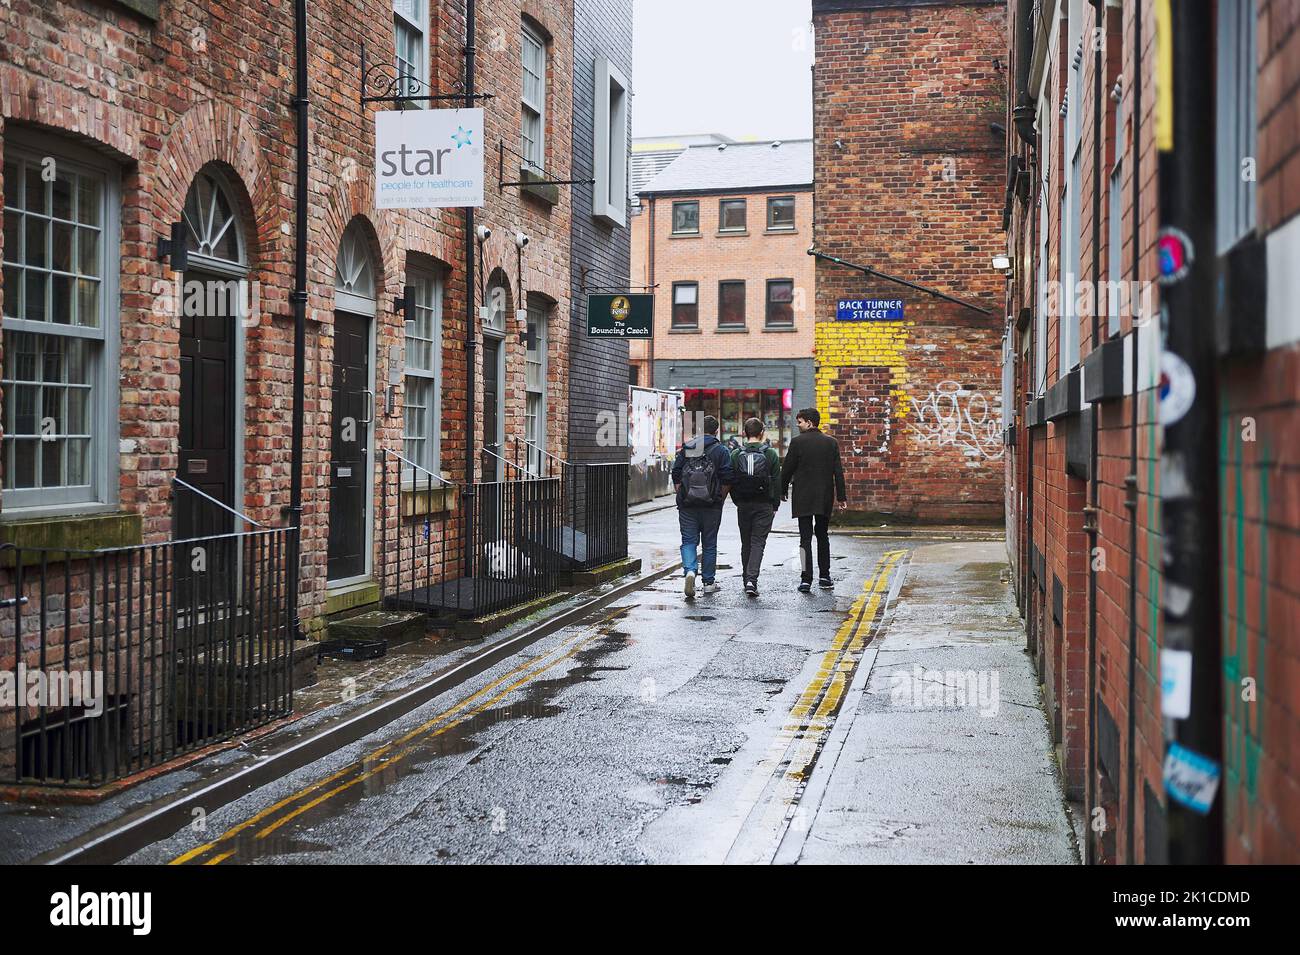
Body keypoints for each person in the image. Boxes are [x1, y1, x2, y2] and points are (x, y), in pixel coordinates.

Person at [780, 407, 846, 593]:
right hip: (825, 497)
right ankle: (825, 576)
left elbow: (787, 470)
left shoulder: (797, 443)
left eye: (800, 422)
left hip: (803, 498)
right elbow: (838, 473)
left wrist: (782, 490)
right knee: (823, 536)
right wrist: (841, 497)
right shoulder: (831, 443)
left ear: (809, 422)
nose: (798, 425)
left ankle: (806, 579)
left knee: (805, 539)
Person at [671, 414, 734, 599]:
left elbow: (676, 474)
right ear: (716, 431)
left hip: (687, 505)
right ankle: (708, 583)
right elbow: (728, 477)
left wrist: (683, 494)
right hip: (712, 505)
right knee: (709, 543)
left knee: (688, 540)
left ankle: (690, 571)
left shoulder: (688, 447)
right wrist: (719, 498)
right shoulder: (721, 450)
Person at [730, 417, 782, 596]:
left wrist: (737, 500)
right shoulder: (771, 454)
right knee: (758, 542)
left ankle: (746, 579)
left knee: (746, 543)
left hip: (743, 504)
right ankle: (752, 580)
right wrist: (774, 504)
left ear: (745, 433)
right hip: (764, 504)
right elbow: (777, 480)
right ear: (761, 433)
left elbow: (731, 481)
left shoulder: (736, 454)